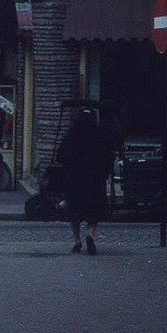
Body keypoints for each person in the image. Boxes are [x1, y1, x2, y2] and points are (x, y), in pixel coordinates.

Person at [57, 109, 113, 255]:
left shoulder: (71, 136)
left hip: (74, 179)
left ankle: (77, 241)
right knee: (94, 209)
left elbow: (60, 156)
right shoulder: (100, 136)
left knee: (74, 210)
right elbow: (108, 157)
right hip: (94, 178)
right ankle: (90, 235)